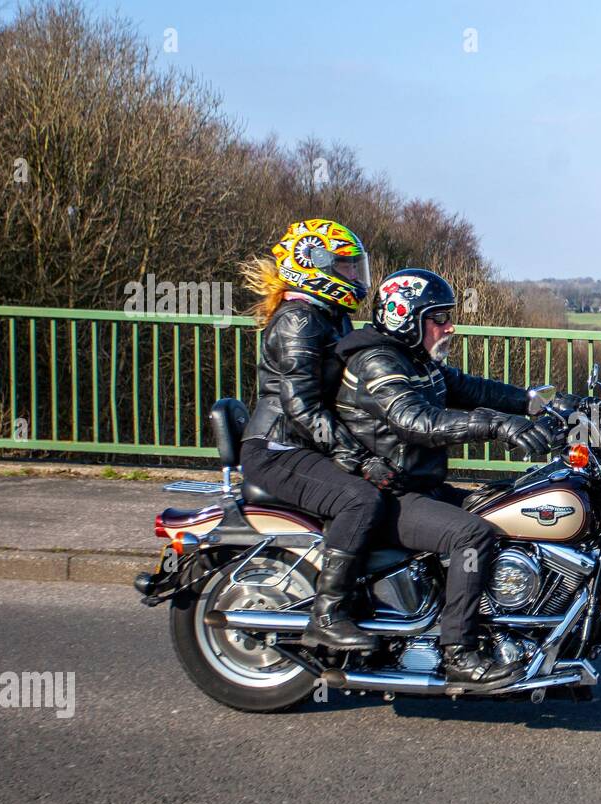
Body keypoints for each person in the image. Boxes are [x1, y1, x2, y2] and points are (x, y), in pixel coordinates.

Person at [333, 269, 562, 683]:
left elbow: (474, 389)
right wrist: (495, 426)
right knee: (472, 535)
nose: (449, 326)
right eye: (439, 318)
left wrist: (543, 404)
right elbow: (414, 420)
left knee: (500, 506)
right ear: (407, 318)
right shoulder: (377, 361)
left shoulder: (420, 361)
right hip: (388, 494)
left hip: (419, 485)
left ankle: (528, 622)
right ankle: (459, 652)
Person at [238, 219, 399, 653]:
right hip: (278, 449)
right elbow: (302, 407)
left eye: (354, 267)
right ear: (313, 264)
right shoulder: (299, 320)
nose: (354, 277)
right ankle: (327, 615)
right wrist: (357, 457)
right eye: (345, 268)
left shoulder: (330, 318)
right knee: (359, 498)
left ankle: (370, 598)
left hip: (301, 444)